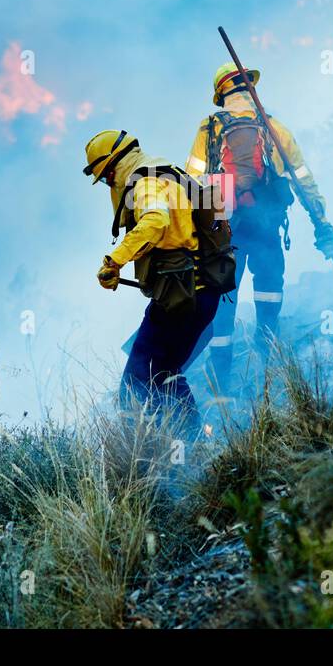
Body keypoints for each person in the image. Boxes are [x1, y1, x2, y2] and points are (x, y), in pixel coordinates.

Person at [184, 62, 333, 394]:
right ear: (249, 88)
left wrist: (189, 240)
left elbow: (191, 186)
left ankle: (221, 385)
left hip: (223, 233)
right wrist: (322, 225)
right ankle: (269, 363)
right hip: (266, 226)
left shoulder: (208, 131)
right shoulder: (274, 128)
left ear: (221, 94)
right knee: (269, 291)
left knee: (223, 305)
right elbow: (303, 180)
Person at [84, 129, 227, 437]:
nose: (110, 185)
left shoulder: (145, 182)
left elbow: (156, 220)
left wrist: (115, 261)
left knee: (137, 381)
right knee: (164, 373)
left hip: (183, 298)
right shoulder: (166, 172)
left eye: (107, 178)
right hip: (200, 295)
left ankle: (163, 449)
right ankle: (193, 442)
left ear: (112, 168)